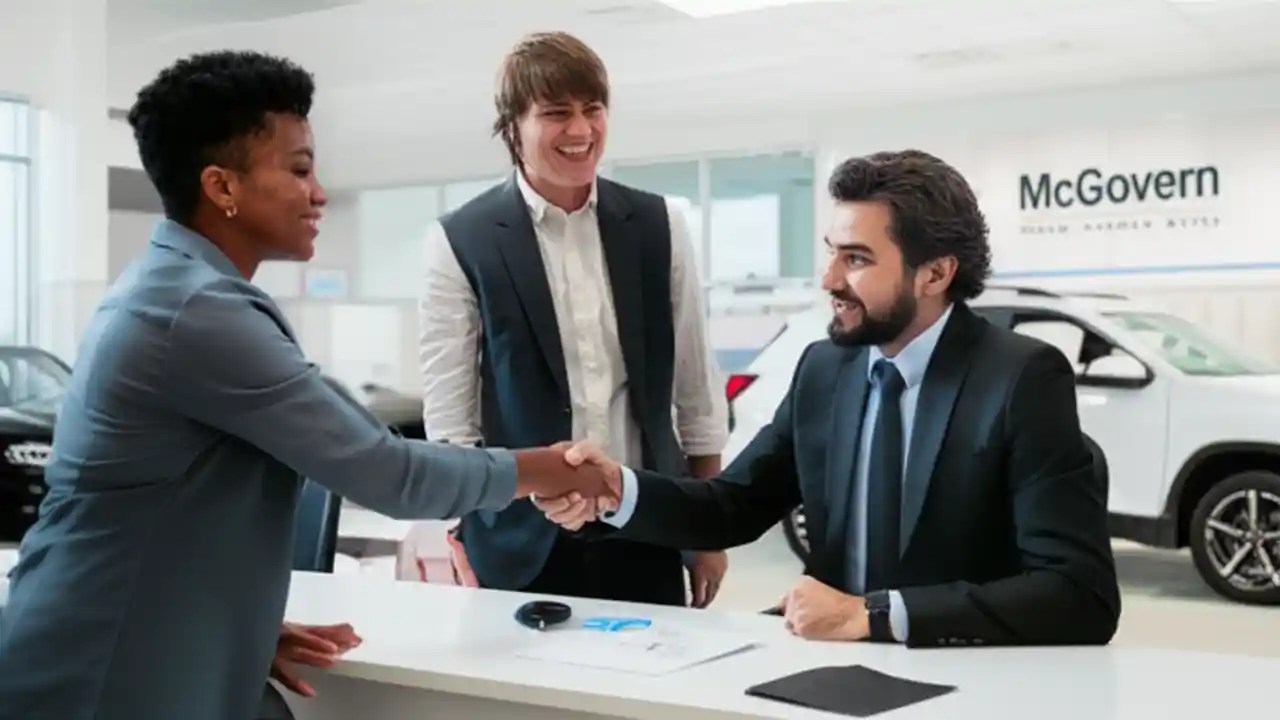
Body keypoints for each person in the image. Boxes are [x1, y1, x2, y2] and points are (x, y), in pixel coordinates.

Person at [0, 50, 612, 720]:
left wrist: (235, 627)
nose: (318, 192)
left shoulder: (178, 290)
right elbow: (390, 474)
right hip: (99, 668)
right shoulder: (197, 313)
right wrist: (551, 469)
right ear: (221, 187)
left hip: (125, 642)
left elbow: (176, 507)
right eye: (298, 169)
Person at [537, 149, 1122, 648]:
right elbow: (733, 505)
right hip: (827, 662)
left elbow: (1078, 593)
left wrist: (871, 616)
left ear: (936, 273)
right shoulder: (826, 368)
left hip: (952, 669)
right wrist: (617, 490)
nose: (829, 279)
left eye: (857, 259)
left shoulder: (1021, 378)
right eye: (832, 251)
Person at [417, 31, 730, 608]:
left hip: (648, 525)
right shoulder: (462, 241)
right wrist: (462, 529)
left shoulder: (659, 225)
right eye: (557, 113)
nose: (582, 130)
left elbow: (695, 387)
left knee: (649, 692)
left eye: (593, 110)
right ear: (513, 126)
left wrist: (705, 529)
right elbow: (451, 420)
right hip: (516, 540)